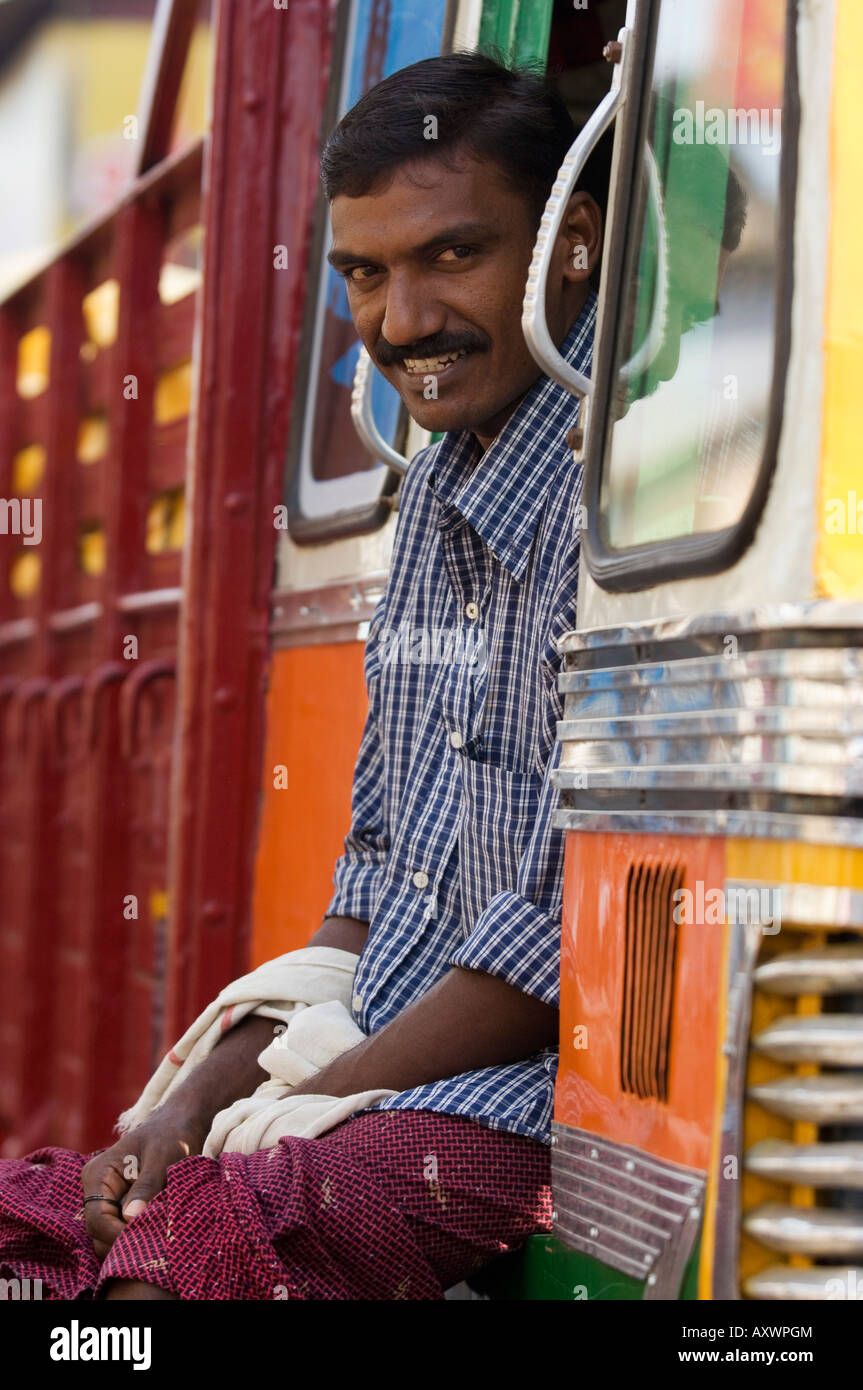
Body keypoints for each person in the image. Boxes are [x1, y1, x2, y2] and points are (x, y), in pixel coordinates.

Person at [0, 51, 609, 1301]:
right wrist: (200, 1104)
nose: (399, 324)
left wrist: (309, 1107)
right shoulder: (438, 481)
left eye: (451, 255)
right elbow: (370, 888)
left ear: (573, 244)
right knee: (42, 1219)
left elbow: (564, 935)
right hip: (364, 1071)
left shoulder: (621, 498)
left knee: (174, 1268)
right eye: (363, 275)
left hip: (510, 1107)